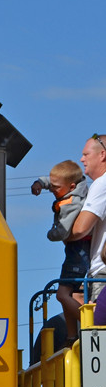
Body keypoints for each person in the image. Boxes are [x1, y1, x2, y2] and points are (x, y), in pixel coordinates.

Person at [31, 160, 90, 342]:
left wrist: (50, 234)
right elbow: (53, 181)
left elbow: (62, 231)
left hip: (77, 252)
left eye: (55, 188)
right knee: (69, 294)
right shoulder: (71, 185)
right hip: (75, 251)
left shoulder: (72, 204)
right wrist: (40, 183)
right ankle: (71, 336)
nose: (52, 190)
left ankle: (92, 326)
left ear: (71, 186)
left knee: (62, 294)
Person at [67, 135, 106, 326]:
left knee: (97, 332)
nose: (82, 159)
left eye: (86, 154)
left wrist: (62, 231)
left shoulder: (102, 183)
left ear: (102, 155)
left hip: (102, 271)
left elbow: (80, 229)